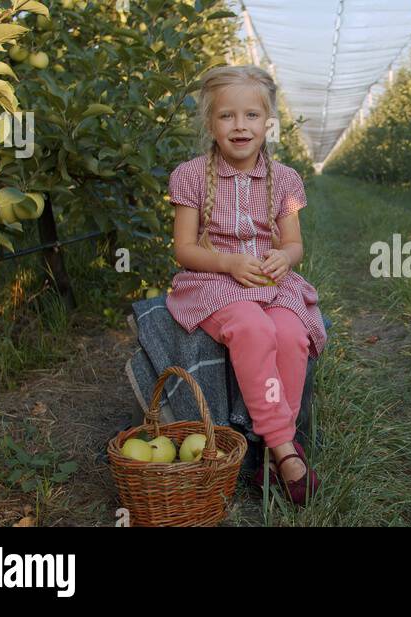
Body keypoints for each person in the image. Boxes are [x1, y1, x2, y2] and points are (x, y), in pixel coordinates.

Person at [165, 65, 326, 506]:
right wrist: (229, 262)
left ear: (268, 122)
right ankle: (284, 450)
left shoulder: (285, 179)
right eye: (227, 117)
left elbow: (294, 244)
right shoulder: (192, 175)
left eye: (252, 116)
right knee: (254, 329)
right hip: (215, 279)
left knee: (291, 334)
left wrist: (283, 257)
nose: (240, 126)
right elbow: (183, 249)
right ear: (209, 123)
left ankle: (276, 453)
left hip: (271, 281)